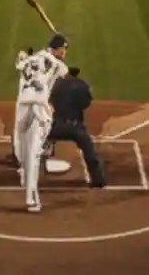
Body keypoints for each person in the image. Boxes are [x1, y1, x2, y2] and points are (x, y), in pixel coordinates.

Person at [14, 34, 70, 213]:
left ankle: (22, 172)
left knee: (21, 142)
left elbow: (19, 64)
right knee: (33, 153)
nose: (65, 53)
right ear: (57, 49)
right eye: (64, 49)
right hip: (38, 107)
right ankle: (31, 199)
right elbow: (64, 72)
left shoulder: (32, 58)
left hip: (22, 105)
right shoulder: (58, 64)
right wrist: (55, 59)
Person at [48, 66, 106, 188]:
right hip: (75, 127)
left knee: (35, 141)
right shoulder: (82, 84)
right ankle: (98, 180)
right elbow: (86, 103)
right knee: (88, 149)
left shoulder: (56, 84)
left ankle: (26, 172)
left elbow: (50, 101)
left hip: (54, 126)